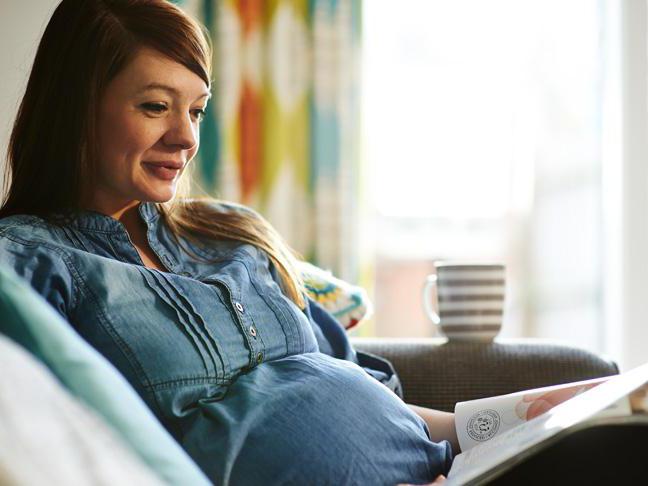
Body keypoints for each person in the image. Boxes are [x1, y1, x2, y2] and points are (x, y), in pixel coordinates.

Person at [0, 1, 458, 484]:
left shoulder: (231, 232)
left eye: (197, 111)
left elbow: (369, 394)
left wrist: (502, 423)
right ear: (75, 107)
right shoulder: (26, 263)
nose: (185, 137)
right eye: (156, 106)